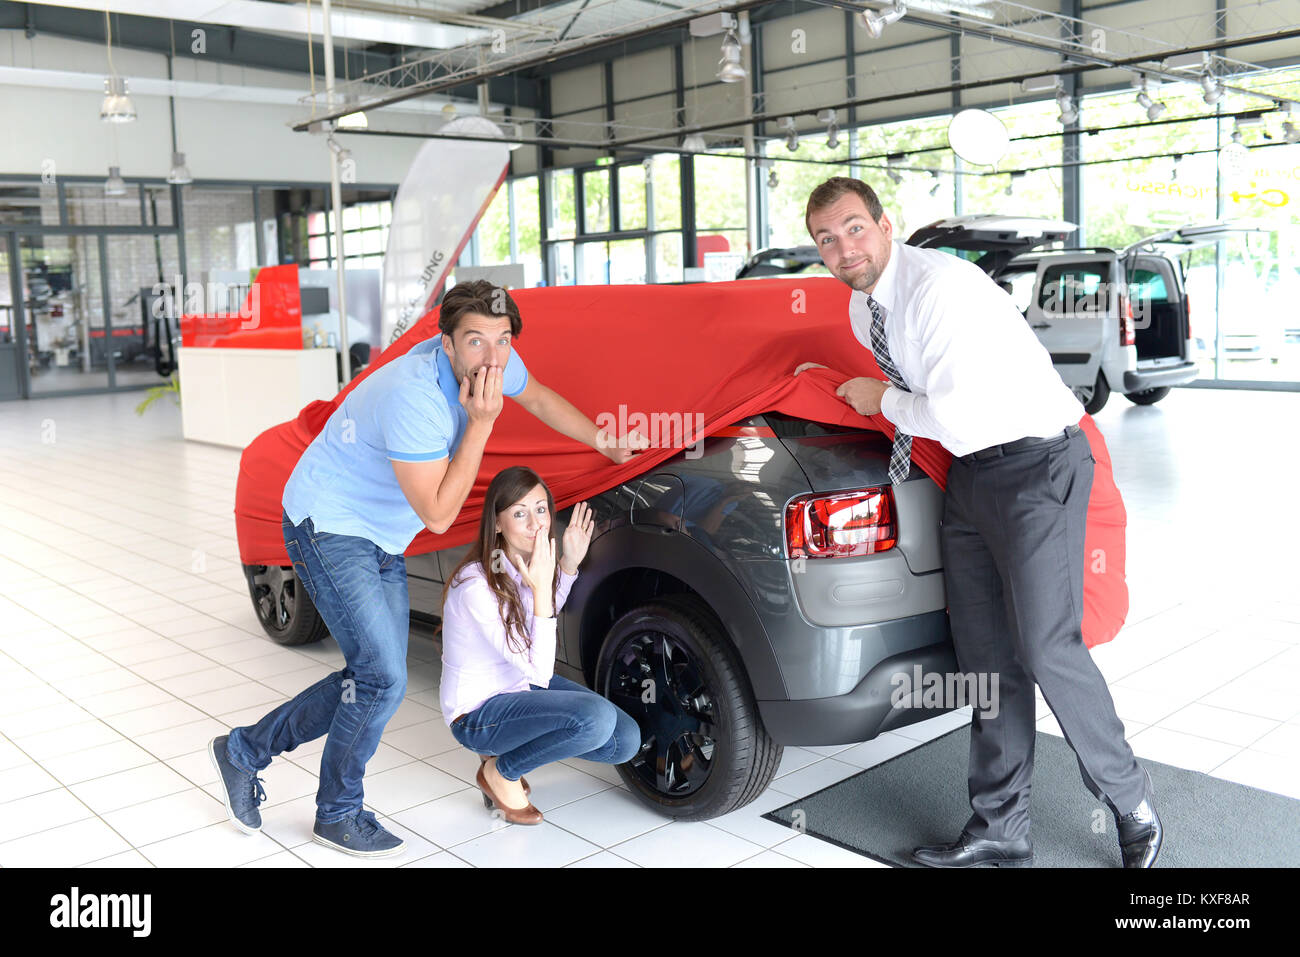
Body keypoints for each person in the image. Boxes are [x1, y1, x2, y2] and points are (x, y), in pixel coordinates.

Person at [209, 280, 647, 857]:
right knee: (381, 680)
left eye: (503, 340)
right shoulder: (412, 396)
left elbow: (537, 396)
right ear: (445, 344)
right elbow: (440, 516)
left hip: (381, 533)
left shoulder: (493, 363)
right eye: (475, 342)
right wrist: (483, 423)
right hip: (329, 523)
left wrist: (605, 442)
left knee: (369, 678)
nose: (493, 357)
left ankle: (242, 752)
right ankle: (336, 812)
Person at [796, 177, 1162, 869]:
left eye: (852, 228)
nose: (843, 248)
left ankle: (1132, 802)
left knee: (1046, 646)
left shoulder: (937, 290)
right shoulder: (861, 310)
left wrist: (884, 399)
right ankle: (1001, 824)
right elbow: (949, 416)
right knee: (986, 659)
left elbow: (946, 411)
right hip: (971, 475)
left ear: (884, 222)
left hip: (1036, 464)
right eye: (826, 239)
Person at [440, 466, 641, 825]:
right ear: (497, 524)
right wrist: (539, 590)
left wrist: (567, 564)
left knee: (625, 741)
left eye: (541, 509)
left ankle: (500, 756)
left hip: (518, 683)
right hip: (476, 714)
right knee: (596, 720)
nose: (535, 523)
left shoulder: (520, 563)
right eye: (520, 513)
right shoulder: (476, 586)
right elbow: (541, 669)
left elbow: (538, 623)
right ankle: (501, 771)